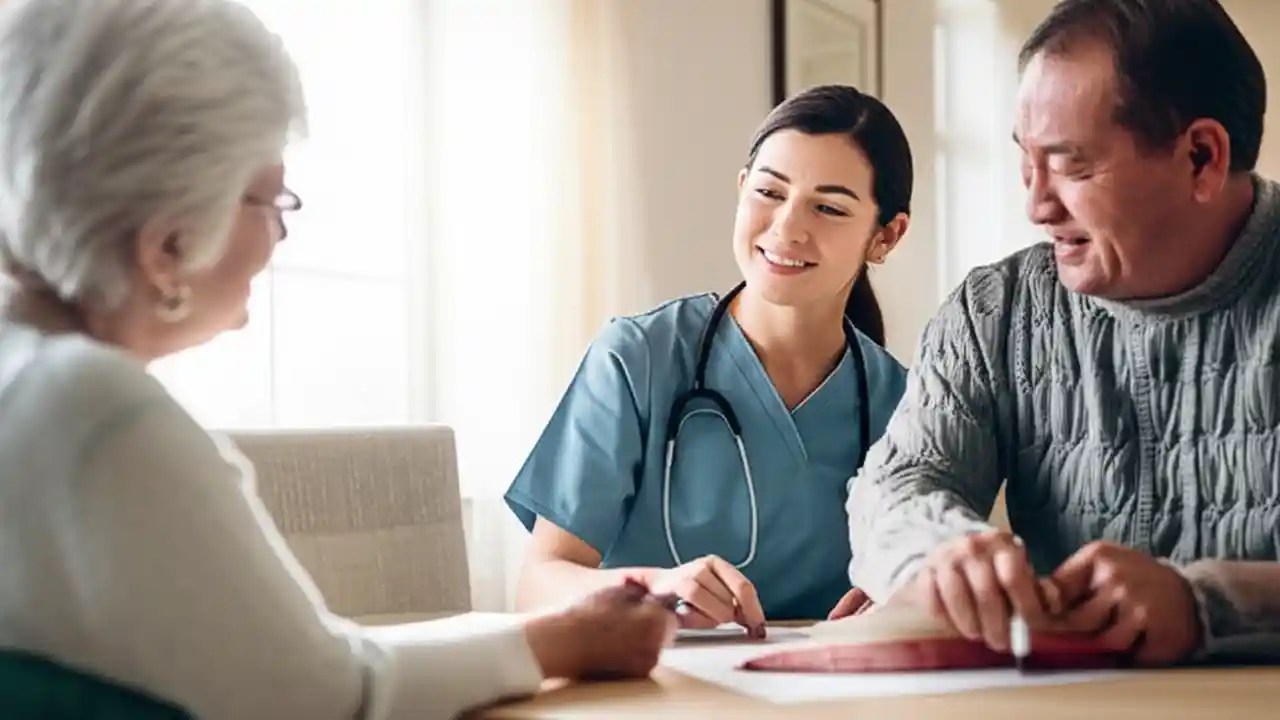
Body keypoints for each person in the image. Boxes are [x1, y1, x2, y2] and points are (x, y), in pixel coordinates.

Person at [0, 1, 674, 718]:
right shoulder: (98, 413)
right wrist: (565, 645)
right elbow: (326, 693)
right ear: (168, 243)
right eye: (270, 199)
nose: (281, 234)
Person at [836, 0, 1280, 666]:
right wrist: (941, 553)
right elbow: (895, 488)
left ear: (1200, 157)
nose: (1037, 206)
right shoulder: (994, 311)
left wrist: (1207, 605)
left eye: (1072, 167)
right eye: (1027, 163)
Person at [507, 85, 913, 633]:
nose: (787, 227)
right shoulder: (637, 360)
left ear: (885, 236)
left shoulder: (904, 403)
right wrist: (654, 588)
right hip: (654, 684)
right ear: (742, 189)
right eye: (770, 192)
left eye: (828, 207)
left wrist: (907, 598)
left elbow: (924, 579)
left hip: (827, 691)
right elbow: (538, 584)